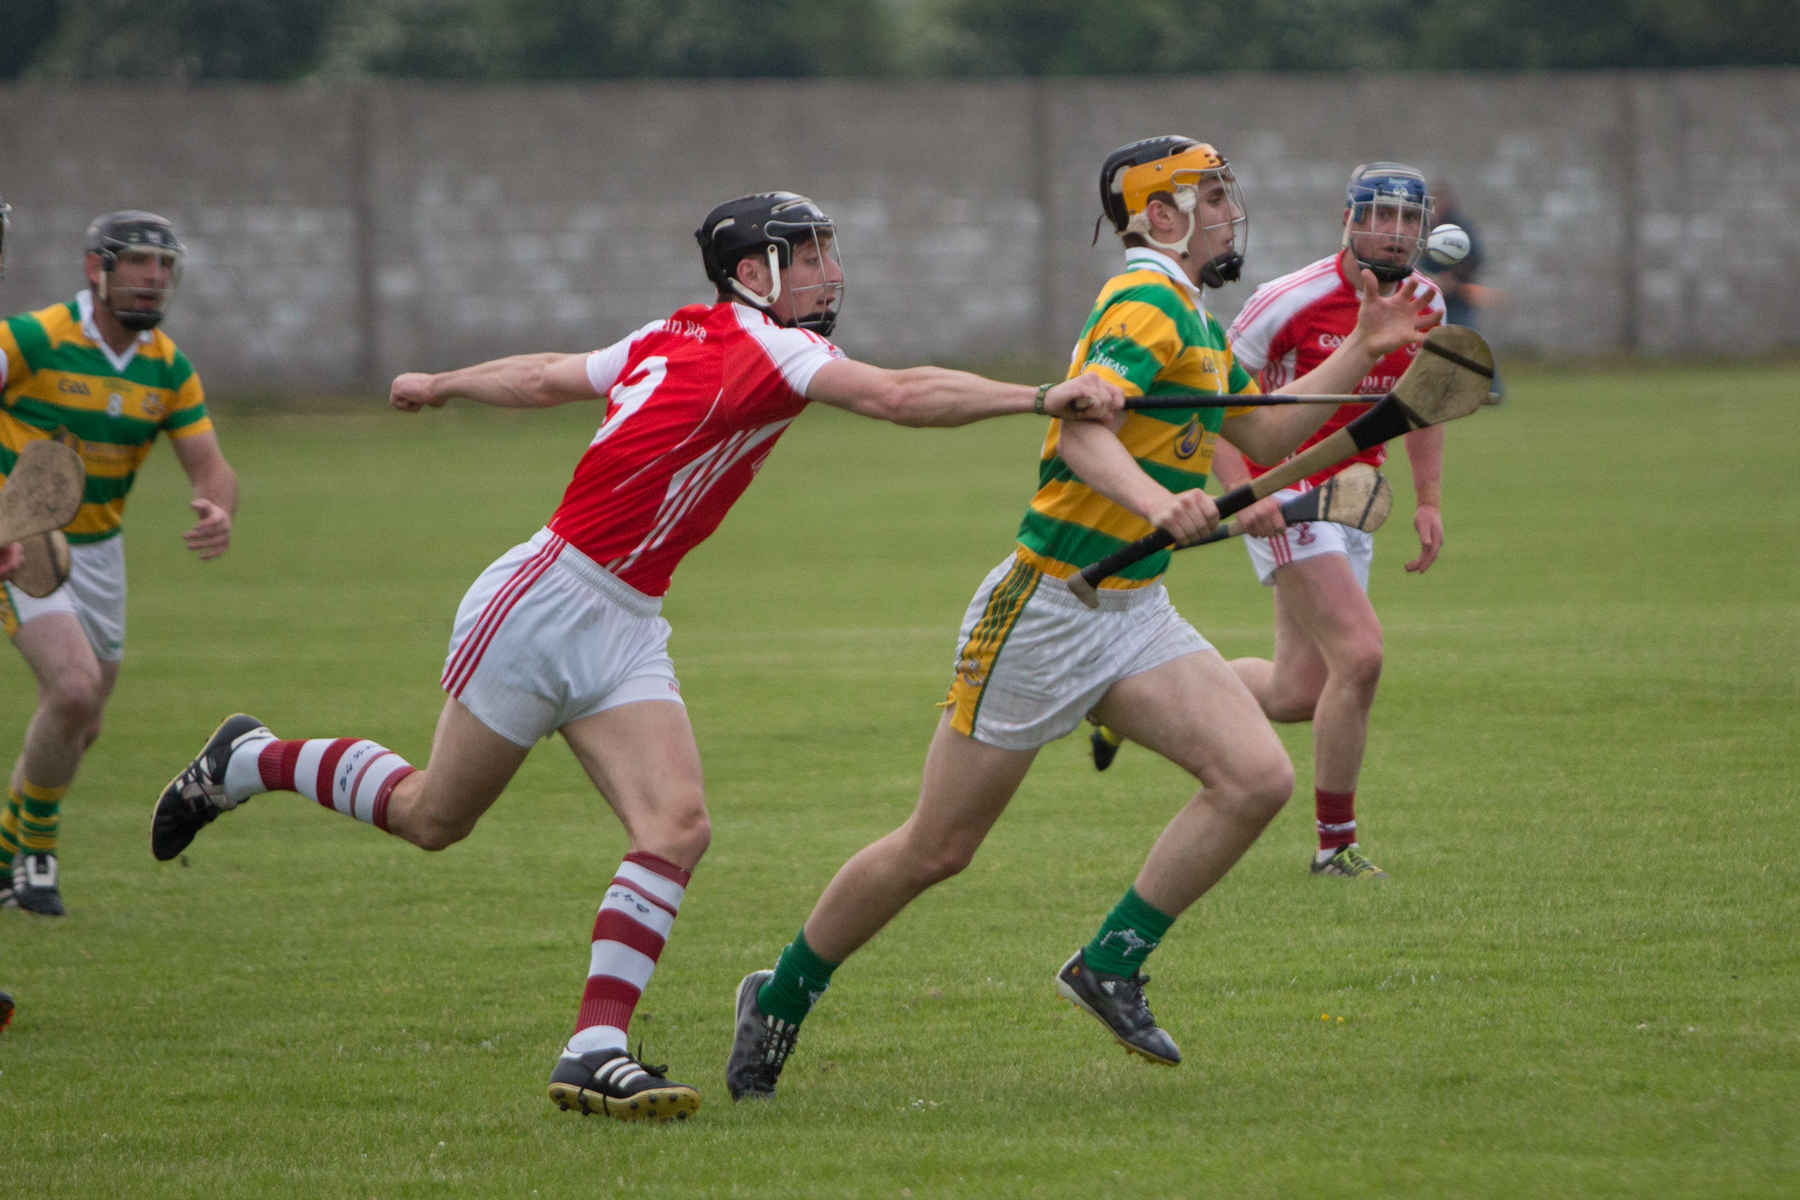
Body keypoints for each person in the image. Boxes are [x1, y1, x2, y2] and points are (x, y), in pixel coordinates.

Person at [150, 191, 1124, 1123]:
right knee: (432, 816)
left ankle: (593, 1046)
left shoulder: (676, 333)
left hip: (626, 620)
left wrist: (446, 383)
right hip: (542, 602)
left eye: (830, 251)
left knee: (677, 827)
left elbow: (546, 376)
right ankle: (250, 759)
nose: (833, 271)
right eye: (811, 254)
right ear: (754, 271)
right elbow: (902, 396)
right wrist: (1042, 394)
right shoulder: (765, 349)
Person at [724, 138, 1435, 1100]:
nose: (1230, 212)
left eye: (1227, 195)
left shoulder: (1189, 309)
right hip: (1048, 606)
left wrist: (1364, 345)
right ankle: (782, 995)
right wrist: (1154, 503)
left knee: (1255, 776)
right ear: (1163, 215)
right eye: (1211, 196)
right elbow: (1078, 432)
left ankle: (1109, 965)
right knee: (937, 848)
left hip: (1131, 609)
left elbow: (1259, 430)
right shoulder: (1142, 301)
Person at [1092, 162, 1449, 882]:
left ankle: (1123, 701)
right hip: (1291, 493)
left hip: (1352, 498)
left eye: (1410, 220)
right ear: (1347, 220)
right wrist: (1247, 491)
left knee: (1299, 692)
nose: (1396, 232)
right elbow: (1216, 402)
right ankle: (1334, 846)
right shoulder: (1288, 299)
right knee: (1363, 655)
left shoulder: (1425, 301)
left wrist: (1429, 497)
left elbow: (1427, 399)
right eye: (1381, 215)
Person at [0, 211, 238, 917]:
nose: (151, 279)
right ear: (95, 270)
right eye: (137, 263)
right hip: (24, 540)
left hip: (100, 554)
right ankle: (35, 857)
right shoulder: (34, 338)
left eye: (163, 267)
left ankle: (5, 849)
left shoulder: (167, 366)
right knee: (71, 690)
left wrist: (216, 506)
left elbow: (211, 467)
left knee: (83, 720)